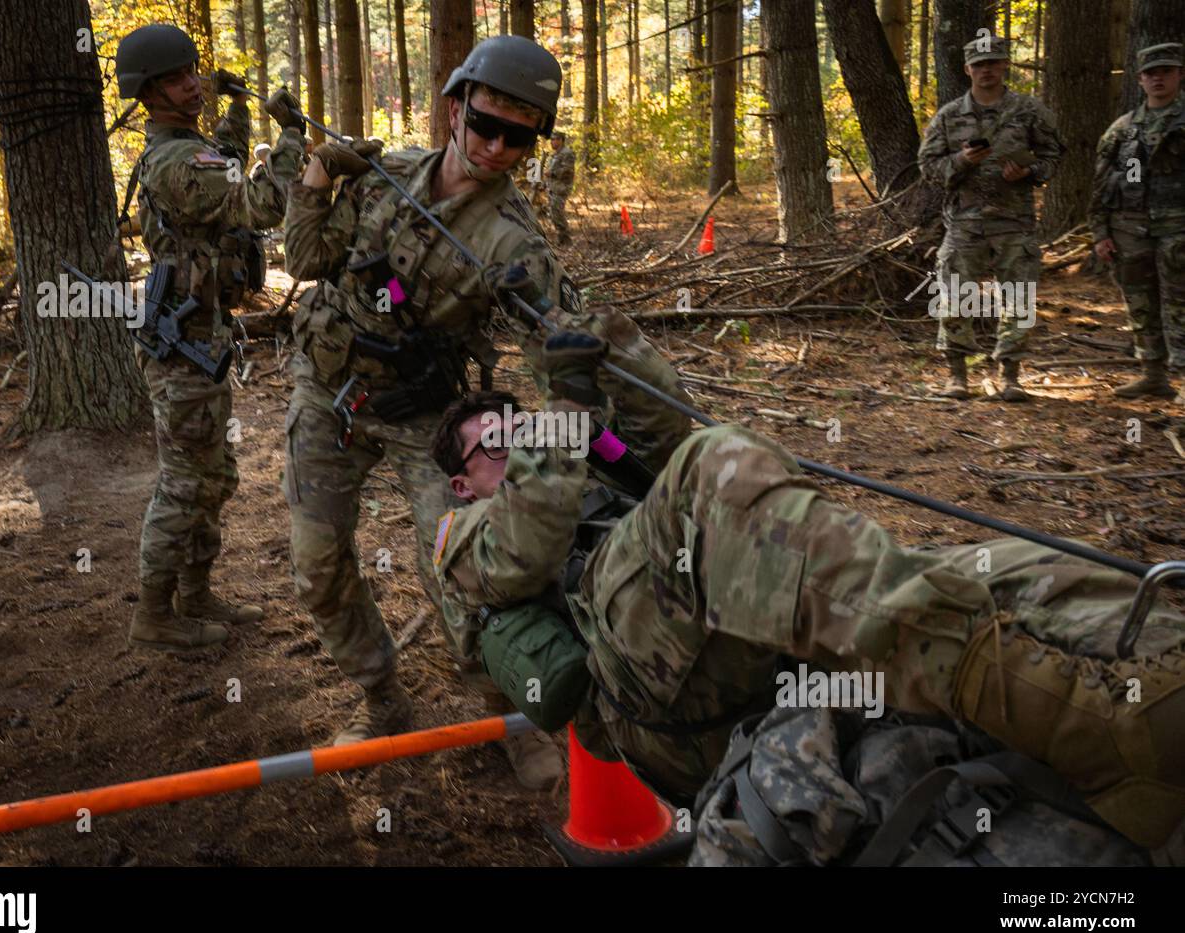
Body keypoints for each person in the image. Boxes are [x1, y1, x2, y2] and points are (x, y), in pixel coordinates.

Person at [431, 331, 1185, 851]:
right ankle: (1073, 717)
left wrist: (605, 342)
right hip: (641, 694)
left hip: (717, 633)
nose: (518, 440)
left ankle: (1152, 674)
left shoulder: (581, 467)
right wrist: (559, 419)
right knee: (711, 470)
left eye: (517, 424)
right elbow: (530, 543)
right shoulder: (458, 538)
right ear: (462, 482)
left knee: (1003, 570)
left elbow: (682, 422)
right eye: (496, 441)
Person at [280, 34, 582, 788]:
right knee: (318, 566)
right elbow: (307, 258)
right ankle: (379, 694)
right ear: (455, 109)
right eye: (486, 125)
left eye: (521, 137)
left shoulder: (513, 241)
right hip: (331, 392)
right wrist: (317, 178)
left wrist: (575, 415)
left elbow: (556, 349)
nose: (498, 148)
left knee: (463, 569)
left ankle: (503, 711)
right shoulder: (386, 177)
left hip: (427, 413)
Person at [115, 23, 303, 652]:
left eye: (193, 71)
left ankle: (194, 595)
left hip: (203, 338)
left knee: (216, 475)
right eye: (176, 78)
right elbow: (259, 204)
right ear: (148, 92)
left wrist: (241, 111)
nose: (193, 84)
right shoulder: (172, 161)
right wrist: (292, 139)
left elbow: (221, 161)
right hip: (183, 349)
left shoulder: (187, 150)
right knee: (185, 482)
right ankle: (154, 613)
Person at [917, 35, 1064, 402]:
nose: (987, 70)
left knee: (1019, 299)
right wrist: (961, 162)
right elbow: (927, 166)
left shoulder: (1030, 111)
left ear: (1005, 66)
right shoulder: (950, 116)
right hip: (965, 222)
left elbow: (1054, 155)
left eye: (994, 63)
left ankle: (1011, 376)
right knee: (954, 296)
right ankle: (957, 376)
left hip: (1014, 221)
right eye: (980, 65)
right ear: (968, 70)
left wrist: (1029, 174)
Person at [1092, 43, 1185, 402]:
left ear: (1179, 74)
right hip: (1131, 231)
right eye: (1151, 73)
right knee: (1140, 303)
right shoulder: (1123, 129)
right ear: (1140, 80)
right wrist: (1100, 232)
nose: (1157, 78)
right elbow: (1100, 184)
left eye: (1165, 71)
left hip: (1178, 230)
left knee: (1180, 302)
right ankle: (1153, 374)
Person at [542, 130, 575, 246]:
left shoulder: (567, 153)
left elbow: (568, 170)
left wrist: (553, 173)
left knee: (557, 212)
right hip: (553, 188)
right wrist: (545, 183)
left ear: (561, 140)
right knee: (553, 213)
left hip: (561, 188)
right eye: (551, 140)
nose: (552, 142)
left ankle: (566, 239)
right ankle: (561, 239)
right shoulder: (555, 154)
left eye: (554, 139)